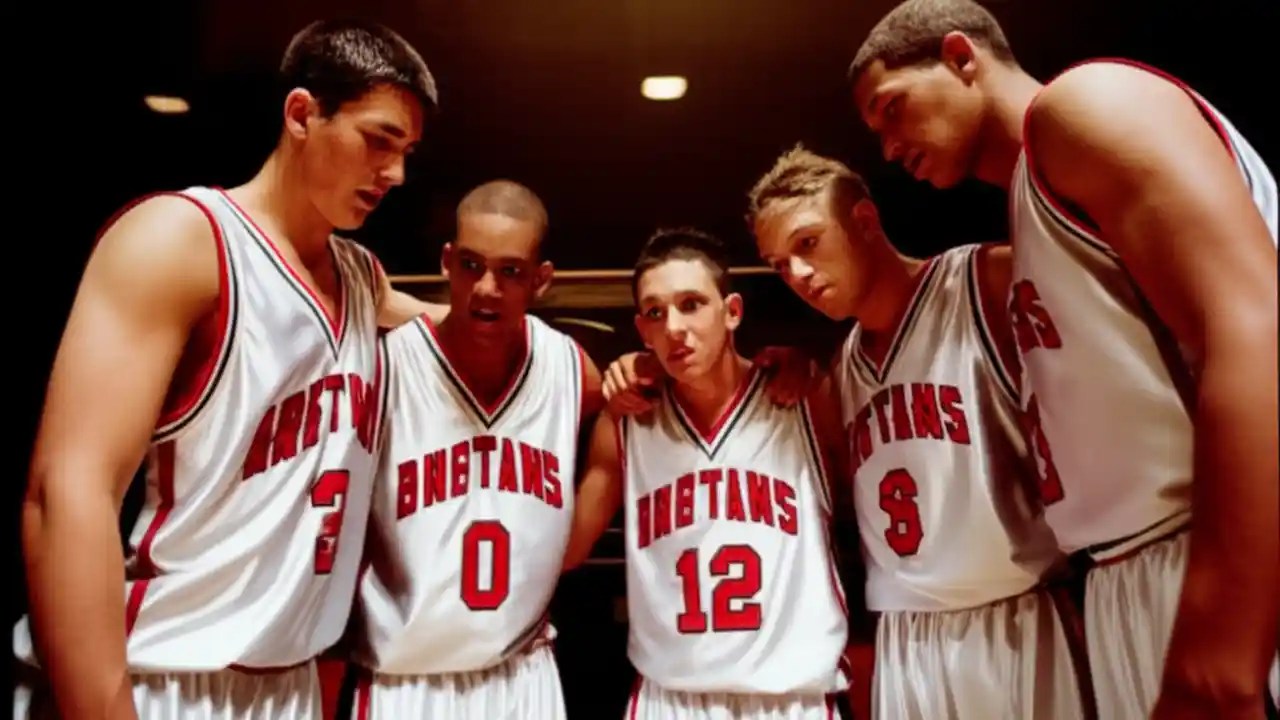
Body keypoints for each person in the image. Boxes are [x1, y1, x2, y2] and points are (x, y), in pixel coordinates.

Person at [848, 1, 1279, 717]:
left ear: (961, 56)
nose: (888, 147)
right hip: (1126, 571)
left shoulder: (1083, 106)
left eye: (891, 109)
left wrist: (1220, 650)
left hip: (1216, 552)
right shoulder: (1030, 201)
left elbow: (1255, 325)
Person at [16, 19, 444, 719]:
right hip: (160, 675)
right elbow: (66, 494)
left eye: (408, 152)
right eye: (378, 140)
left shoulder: (361, 277)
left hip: (288, 682)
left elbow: (443, 319)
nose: (396, 174)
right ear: (302, 114)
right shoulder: (181, 239)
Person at [608, 146, 1089, 719]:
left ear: (863, 221)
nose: (799, 276)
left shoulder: (980, 281)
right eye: (780, 264)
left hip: (1023, 612)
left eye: (807, 244)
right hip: (904, 639)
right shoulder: (840, 371)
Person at [343, 180, 604, 718]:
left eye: (510, 271)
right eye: (471, 264)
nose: (486, 287)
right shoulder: (386, 366)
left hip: (522, 675)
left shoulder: (572, 371)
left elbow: (637, 427)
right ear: (446, 261)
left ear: (542, 279)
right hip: (403, 681)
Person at [566, 228, 852, 719]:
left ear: (732, 311)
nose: (674, 326)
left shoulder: (804, 396)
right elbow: (565, 550)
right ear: (642, 329)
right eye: (656, 312)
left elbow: (865, 536)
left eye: (691, 303)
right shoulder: (628, 420)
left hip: (790, 698)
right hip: (669, 700)